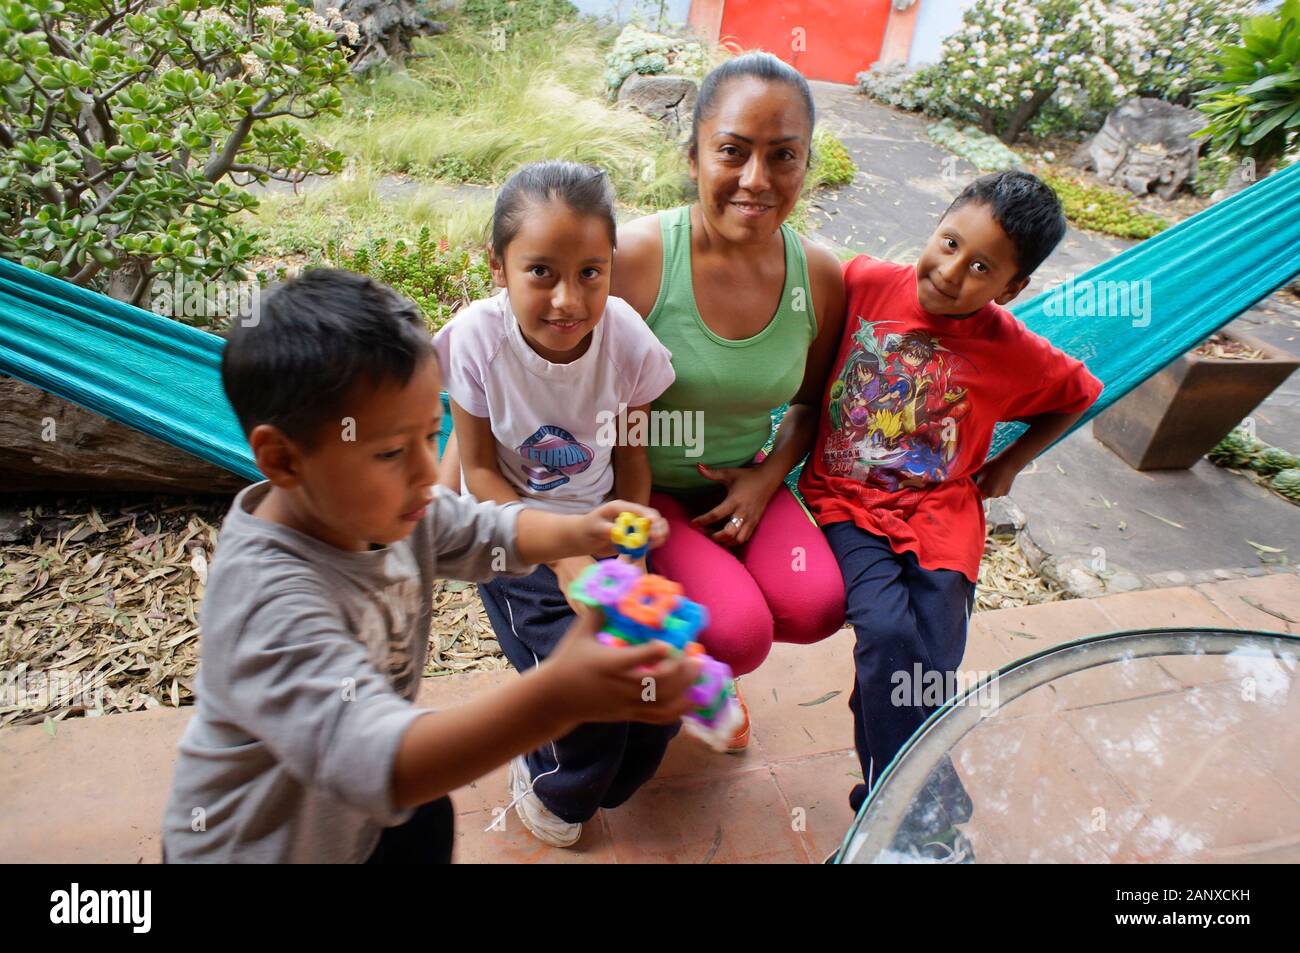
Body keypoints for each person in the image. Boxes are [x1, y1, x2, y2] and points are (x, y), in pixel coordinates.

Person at [161, 268, 697, 863]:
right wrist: (559, 696)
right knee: (418, 796)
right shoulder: (268, 603)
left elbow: (483, 528)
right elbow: (381, 760)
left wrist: (581, 529)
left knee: (424, 816)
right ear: (283, 459)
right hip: (262, 848)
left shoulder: (383, 507)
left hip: (362, 815)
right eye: (391, 451)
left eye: (431, 436)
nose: (426, 472)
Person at [798, 171, 1104, 816]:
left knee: (927, 672)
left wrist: (1012, 464)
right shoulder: (861, 284)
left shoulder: (1012, 348)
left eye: (981, 267)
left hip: (942, 516)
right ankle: (927, 820)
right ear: (937, 226)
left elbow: (1080, 393)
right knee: (886, 631)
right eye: (948, 243)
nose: (950, 271)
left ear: (1011, 288)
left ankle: (886, 796)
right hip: (846, 502)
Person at [434, 161, 679, 848]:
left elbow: (634, 458)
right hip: (510, 532)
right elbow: (478, 470)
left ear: (611, 266)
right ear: (498, 265)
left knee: (655, 691)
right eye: (541, 271)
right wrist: (564, 556)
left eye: (590, 273)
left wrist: (623, 544)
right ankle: (544, 776)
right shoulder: (476, 340)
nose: (569, 299)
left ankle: (601, 772)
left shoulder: (627, 341)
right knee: (584, 697)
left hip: (602, 524)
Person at [611, 53, 849, 750]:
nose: (756, 179)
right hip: (638, 492)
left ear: (807, 165)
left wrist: (765, 478)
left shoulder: (820, 276)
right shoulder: (637, 259)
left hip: (740, 479)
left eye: (783, 156)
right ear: (693, 157)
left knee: (817, 603)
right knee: (739, 633)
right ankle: (683, 663)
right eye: (732, 152)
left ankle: (696, 628)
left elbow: (809, 404)